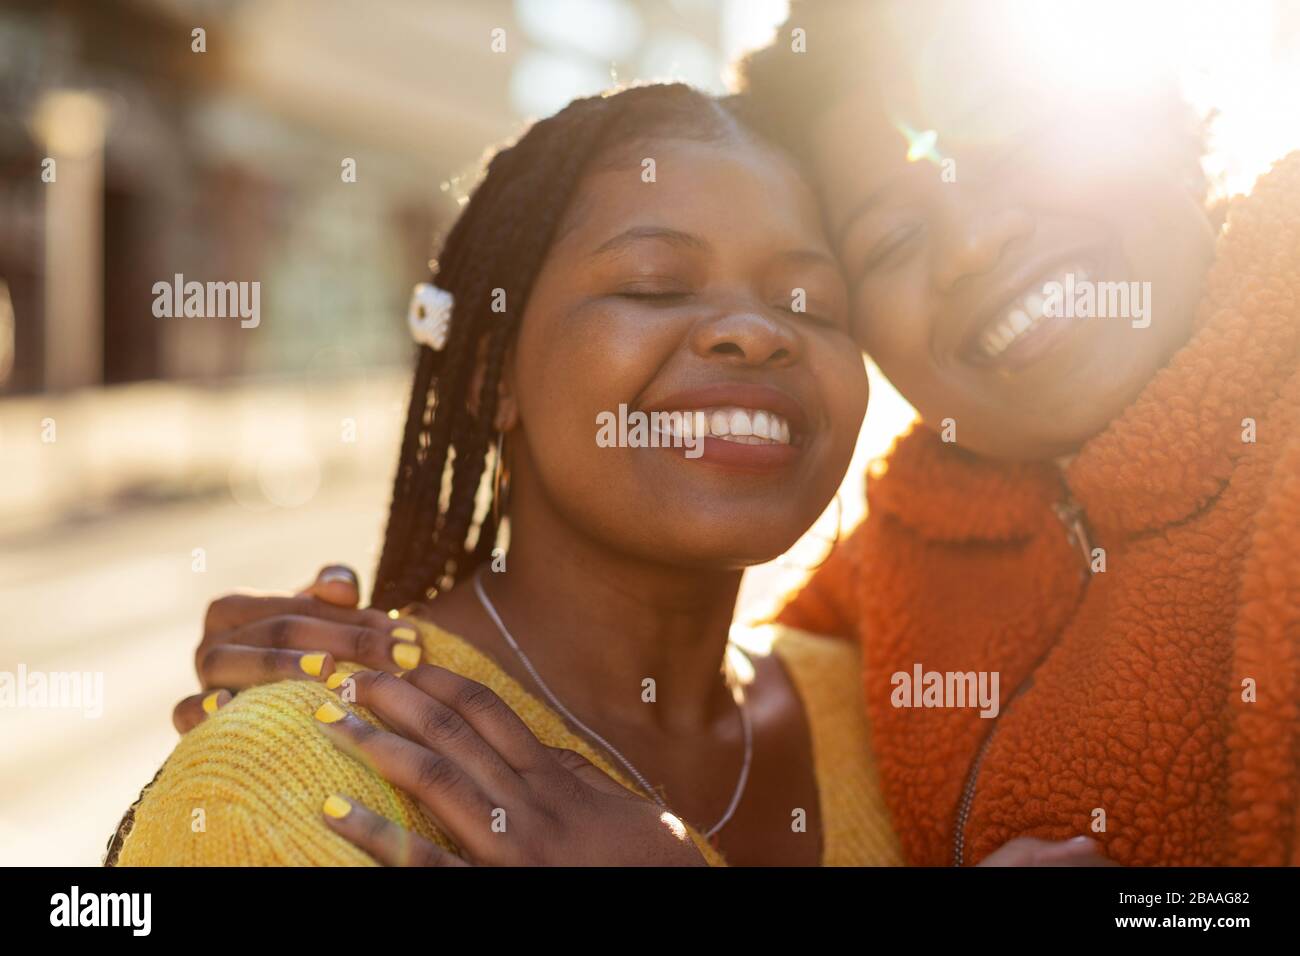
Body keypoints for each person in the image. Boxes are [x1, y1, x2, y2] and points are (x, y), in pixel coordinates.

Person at [108, 82, 900, 867]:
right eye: (653, 285)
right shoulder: (288, 779)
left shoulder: (885, 708)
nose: (757, 333)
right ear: (493, 376)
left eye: (812, 303)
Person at [739, 0, 1300, 865]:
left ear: (1159, 119)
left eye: (1018, 145)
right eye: (891, 241)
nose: (971, 241)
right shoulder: (901, 552)